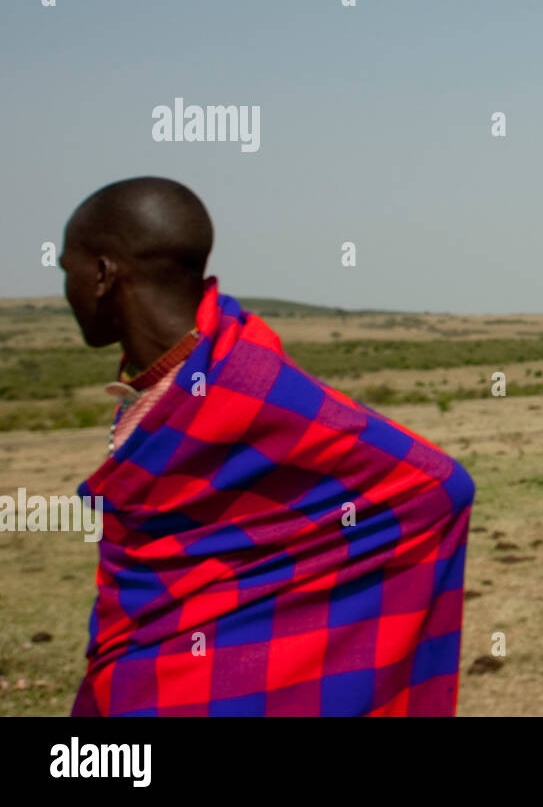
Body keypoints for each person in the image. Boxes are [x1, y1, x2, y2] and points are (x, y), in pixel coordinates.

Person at [61, 176, 474, 716]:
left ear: (101, 274)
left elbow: (440, 486)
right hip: (141, 670)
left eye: (65, 269)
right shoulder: (168, 380)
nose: (63, 288)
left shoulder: (250, 382)